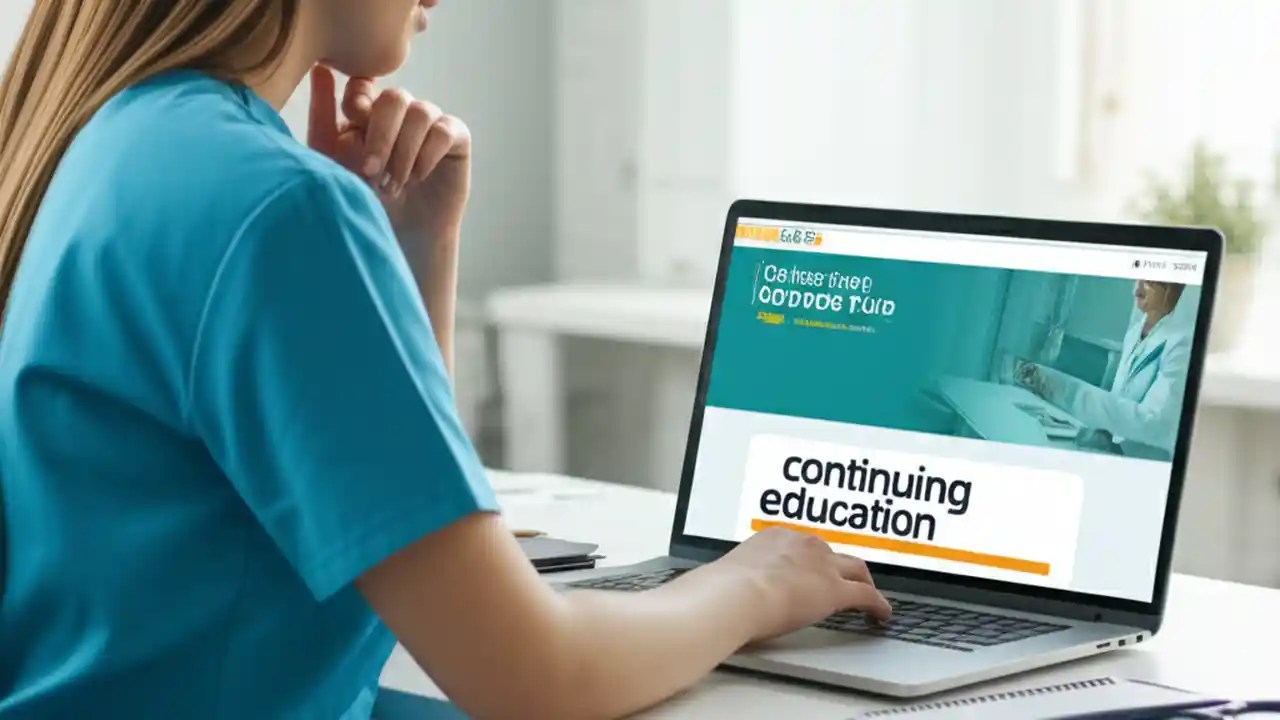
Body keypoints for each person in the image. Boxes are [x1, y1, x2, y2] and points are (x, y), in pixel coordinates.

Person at [0, 2, 892, 718]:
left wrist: (418, 241)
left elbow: (394, 524)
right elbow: (533, 680)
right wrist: (750, 585)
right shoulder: (275, 204)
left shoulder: (116, 139)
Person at [1016, 280, 1191, 458]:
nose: (1137, 289)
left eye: (1149, 283)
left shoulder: (1181, 344)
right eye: (1139, 279)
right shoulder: (1134, 332)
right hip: (1113, 450)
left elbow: (1154, 423)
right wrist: (1104, 431)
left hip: (1142, 462)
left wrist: (1059, 388)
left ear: (1171, 290)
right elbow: (1120, 396)